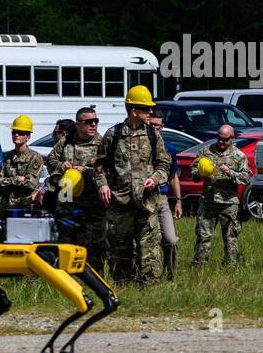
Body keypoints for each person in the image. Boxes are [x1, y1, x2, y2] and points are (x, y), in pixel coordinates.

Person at [95, 86, 172, 285]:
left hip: (146, 203)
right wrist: (103, 185)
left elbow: (164, 164)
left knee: (149, 250)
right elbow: (99, 166)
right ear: (133, 111)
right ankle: (124, 289)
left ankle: (149, 289)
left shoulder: (153, 135)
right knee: (120, 250)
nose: (151, 113)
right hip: (119, 204)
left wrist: (155, 179)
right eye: (146, 109)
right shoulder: (114, 135)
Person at [43, 106, 105, 272]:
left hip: (92, 203)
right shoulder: (66, 142)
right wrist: (60, 165)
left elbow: (109, 169)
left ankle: (96, 280)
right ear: (78, 124)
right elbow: (50, 161)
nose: (93, 125)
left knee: (93, 245)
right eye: (89, 122)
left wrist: (86, 170)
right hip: (67, 201)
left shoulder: (103, 143)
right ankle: (65, 277)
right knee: (66, 242)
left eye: (96, 121)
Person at [191, 124, 252, 268]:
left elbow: (246, 178)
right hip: (208, 201)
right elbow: (193, 172)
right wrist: (200, 173)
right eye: (219, 138)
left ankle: (230, 266)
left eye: (225, 139)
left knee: (231, 236)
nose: (221, 142)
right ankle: (199, 266)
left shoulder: (239, 155)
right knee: (203, 235)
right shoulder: (206, 151)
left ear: (232, 138)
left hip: (228, 203)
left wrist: (230, 172)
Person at [148, 107, 183, 278]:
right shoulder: (140, 145)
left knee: (170, 240)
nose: (156, 128)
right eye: (153, 125)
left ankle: (170, 273)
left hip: (162, 198)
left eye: (159, 126)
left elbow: (173, 177)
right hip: (144, 197)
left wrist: (178, 200)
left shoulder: (169, 148)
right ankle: (145, 276)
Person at [0, 115, 43, 213]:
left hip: (24, 205)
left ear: (28, 137)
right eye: (14, 132)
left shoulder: (34, 157)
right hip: (6, 206)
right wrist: (17, 179)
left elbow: (30, 183)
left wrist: (7, 181)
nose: (16, 135)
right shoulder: (7, 156)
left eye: (21, 133)